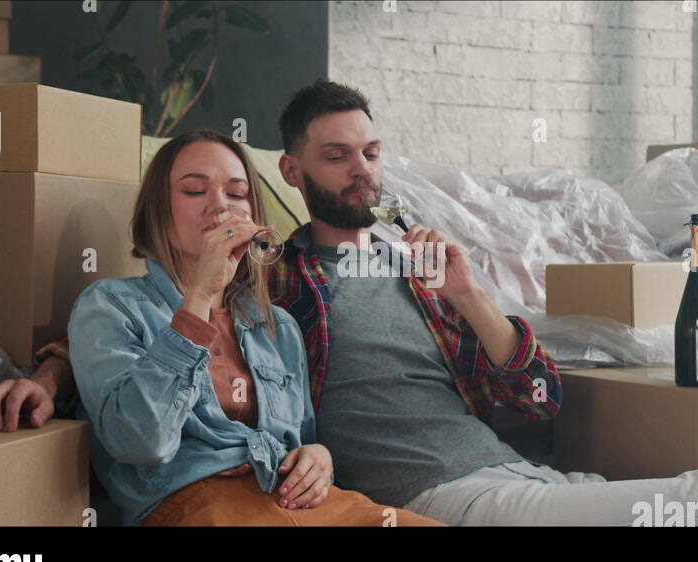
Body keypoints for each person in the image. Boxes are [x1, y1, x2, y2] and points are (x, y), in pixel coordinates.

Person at [0, 82, 698, 527]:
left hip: (515, 471)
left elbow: (541, 401)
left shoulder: (407, 271)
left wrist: (474, 298)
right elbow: (135, 330)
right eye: (337, 157)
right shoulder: (283, 286)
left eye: (372, 152)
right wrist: (55, 367)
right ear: (290, 175)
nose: (363, 171)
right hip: (439, 493)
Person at [63, 129, 441, 527]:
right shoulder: (110, 305)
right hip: (199, 505)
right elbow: (138, 440)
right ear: (157, 210)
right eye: (194, 191)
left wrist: (319, 458)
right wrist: (198, 298)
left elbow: (303, 438)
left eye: (237, 193)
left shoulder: (277, 324)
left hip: (308, 505)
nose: (219, 206)